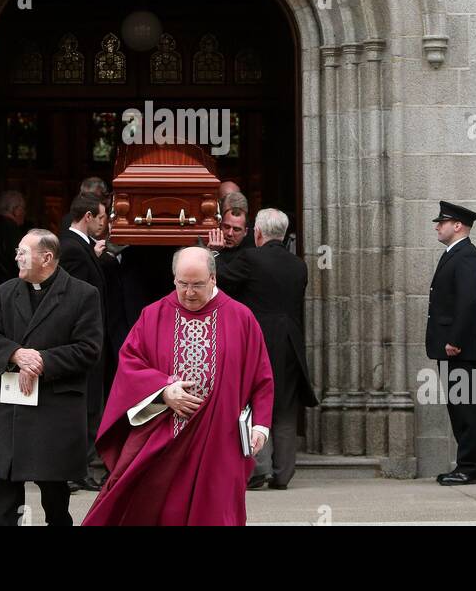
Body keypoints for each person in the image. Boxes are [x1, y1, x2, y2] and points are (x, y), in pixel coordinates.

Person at [83, 247, 274, 526]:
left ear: (213, 278)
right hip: (162, 439)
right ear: (174, 279)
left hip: (220, 441)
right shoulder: (153, 315)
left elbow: (262, 377)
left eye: (197, 284)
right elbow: (129, 366)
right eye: (182, 284)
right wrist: (163, 391)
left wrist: (260, 427)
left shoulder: (241, 318)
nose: (189, 292)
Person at [0, 229, 102, 526]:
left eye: (23, 252)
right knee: (4, 488)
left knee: (54, 490)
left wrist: (41, 360)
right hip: (13, 403)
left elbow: (89, 349)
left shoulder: (83, 294)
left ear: (46, 257)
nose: (17, 257)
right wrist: (15, 354)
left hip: (54, 405)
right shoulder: (6, 291)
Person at [218, 208, 314, 491]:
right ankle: (283, 474)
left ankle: (259, 468)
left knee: (253, 399)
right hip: (290, 343)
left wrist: (213, 253)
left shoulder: (251, 258)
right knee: (284, 407)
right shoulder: (299, 265)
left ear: (257, 233)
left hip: (258, 340)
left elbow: (220, 280)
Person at [424, 201, 476, 485]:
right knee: (459, 406)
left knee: (466, 408)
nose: (438, 226)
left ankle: (471, 467)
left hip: (459, 347)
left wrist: (455, 340)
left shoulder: (467, 256)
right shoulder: (454, 254)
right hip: (452, 346)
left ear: (458, 225)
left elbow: (470, 302)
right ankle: (467, 464)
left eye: (442, 222)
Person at [59, 192, 109, 491]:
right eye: (101, 217)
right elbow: (76, 295)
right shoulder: (73, 248)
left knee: (90, 404)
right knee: (83, 406)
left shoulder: (82, 247)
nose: (103, 224)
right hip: (82, 339)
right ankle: (76, 470)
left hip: (88, 339)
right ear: (87, 217)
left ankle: (80, 468)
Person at [0, 190, 27, 295]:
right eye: (22, 209)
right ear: (15, 210)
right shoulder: (11, 229)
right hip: (8, 284)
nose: (24, 213)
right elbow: (17, 260)